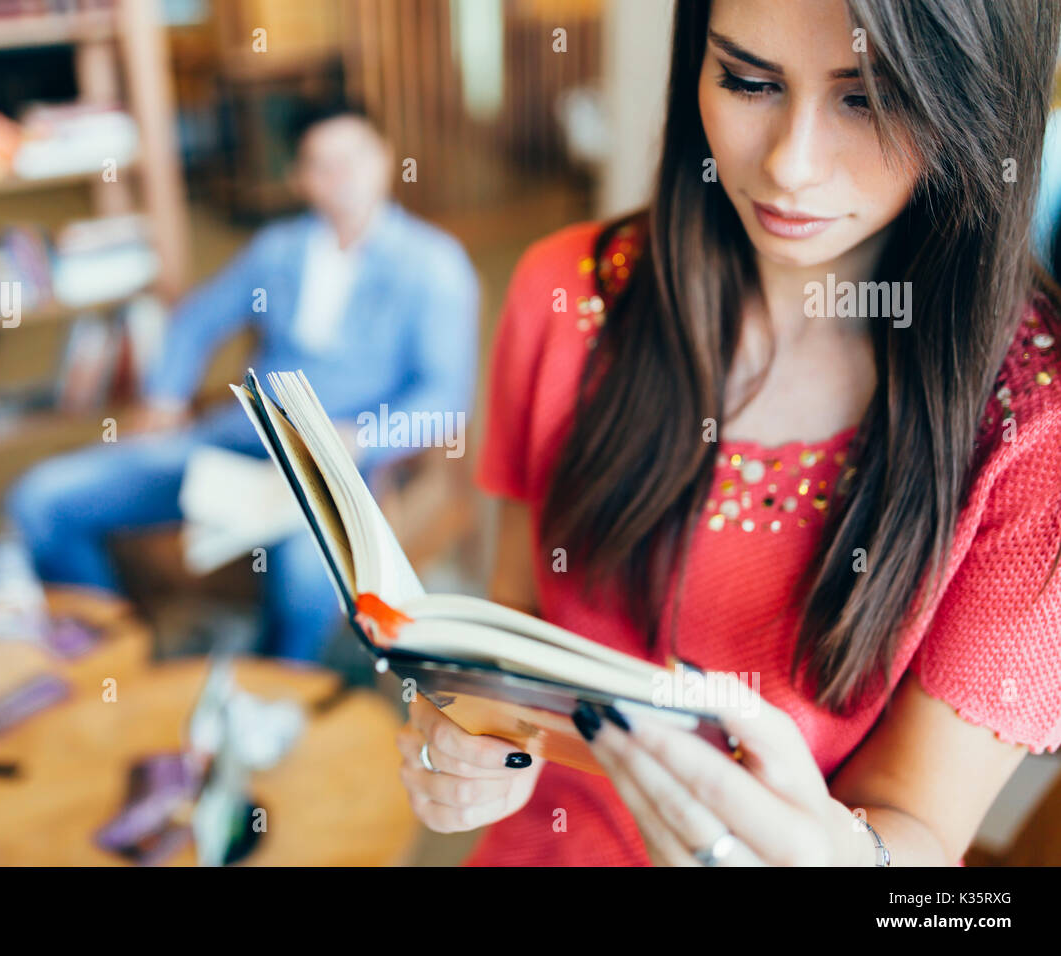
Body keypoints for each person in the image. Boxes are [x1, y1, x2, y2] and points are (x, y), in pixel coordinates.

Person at [397, 0, 1061, 866]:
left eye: (869, 99)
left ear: (975, 99)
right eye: (747, 81)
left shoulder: (1032, 439)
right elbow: (517, 611)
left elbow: (922, 834)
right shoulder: (566, 297)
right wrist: (459, 730)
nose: (789, 164)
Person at [6, 103, 478, 661]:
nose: (341, 176)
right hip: (236, 439)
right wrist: (165, 395)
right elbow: (194, 321)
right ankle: (123, 656)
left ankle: (272, 686)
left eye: (354, 158)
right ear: (299, 179)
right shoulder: (277, 250)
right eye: (321, 165)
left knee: (305, 576)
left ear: (385, 160)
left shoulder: (434, 264)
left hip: (337, 465)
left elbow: (445, 398)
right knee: (40, 500)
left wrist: (366, 438)